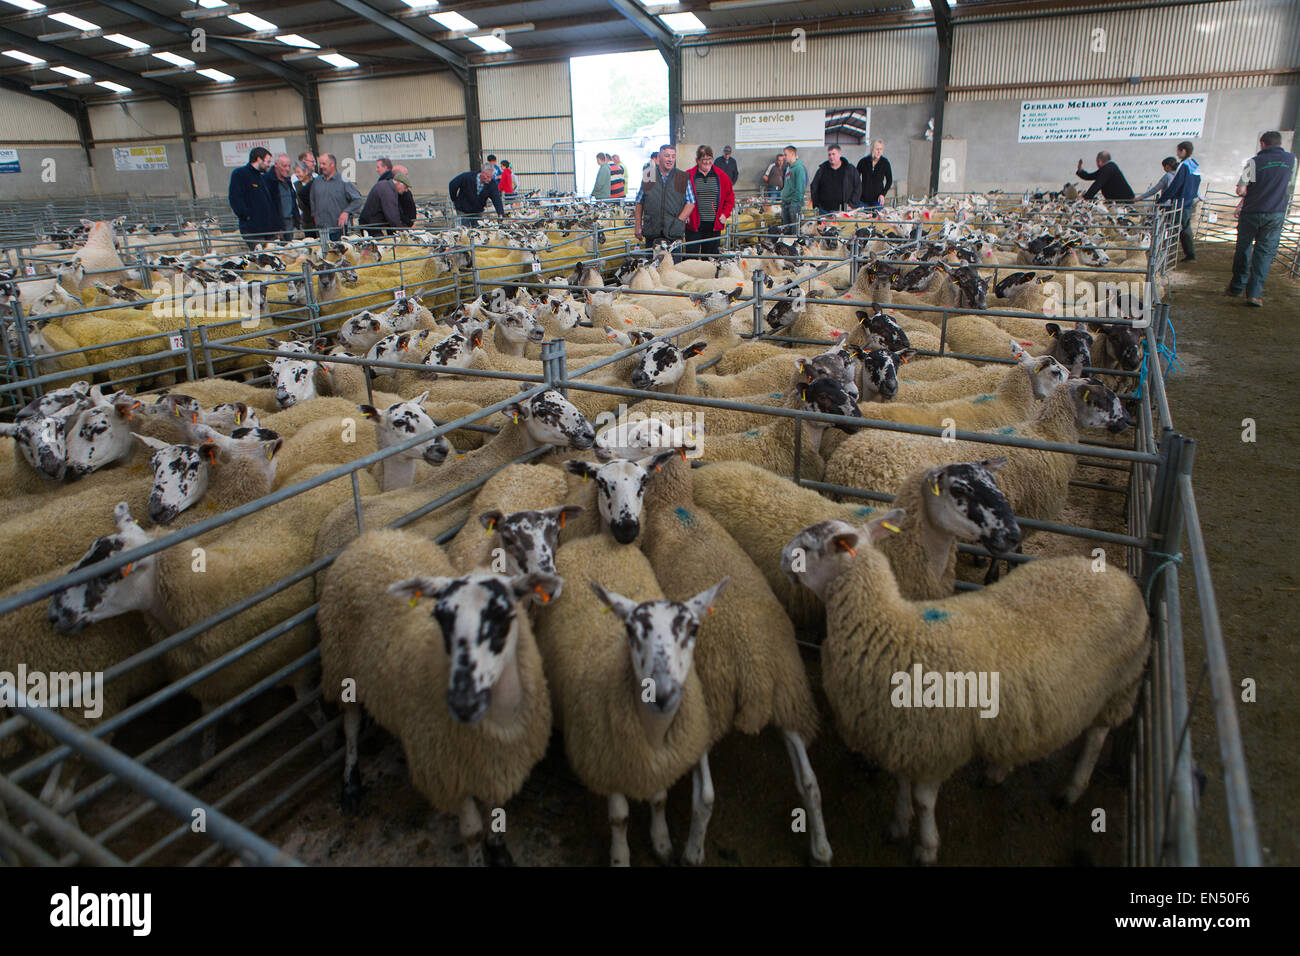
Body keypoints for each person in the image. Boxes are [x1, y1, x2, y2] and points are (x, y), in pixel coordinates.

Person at [1227, 131, 1296, 307]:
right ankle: (1255, 295)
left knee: (1244, 248)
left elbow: (1241, 190)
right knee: (1264, 253)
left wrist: (1245, 197)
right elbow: (1289, 186)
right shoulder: (1291, 160)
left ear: (1263, 144)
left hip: (1251, 212)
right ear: (1280, 144)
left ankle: (1236, 287)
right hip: (1275, 212)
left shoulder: (1254, 162)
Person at [634, 144, 694, 253]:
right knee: (652, 267)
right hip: (652, 231)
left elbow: (690, 203)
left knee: (672, 267)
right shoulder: (649, 175)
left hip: (673, 234)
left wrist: (679, 221)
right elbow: (639, 201)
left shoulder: (682, 177)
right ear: (659, 157)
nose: (670, 159)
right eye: (667, 156)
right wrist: (638, 225)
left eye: (673, 156)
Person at [684, 145, 735, 258]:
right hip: (694, 225)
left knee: (711, 259)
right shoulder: (688, 175)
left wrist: (725, 214)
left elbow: (730, 197)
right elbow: (679, 196)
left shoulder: (722, 176)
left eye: (709, 160)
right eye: (703, 160)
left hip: (713, 225)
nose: (707, 163)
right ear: (697, 160)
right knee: (691, 259)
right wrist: (684, 214)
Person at [228, 146, 279, 249]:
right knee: (261, 257)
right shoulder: (240, 174)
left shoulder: (262, 177)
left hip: (267, 228)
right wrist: (245, 215)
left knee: (273, 255)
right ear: (259, 159)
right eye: (268, 162)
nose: (269, 165)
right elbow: (235, 197)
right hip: (252, 228)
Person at [1158, 141, 1202, 261]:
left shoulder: (1183, 165)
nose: (1177, 154)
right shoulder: (1195, 164)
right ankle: (1190, 254)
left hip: (1180, 202)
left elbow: (1176, 185)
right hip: (1189, 202)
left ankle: (1167, 257)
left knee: (1173, 228)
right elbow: (1198, 182)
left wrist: (1162, 199)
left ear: (1183, 151)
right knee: (1186, 228)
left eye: (1178, 151)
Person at [308, 152, 363, 241]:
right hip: (322, 231)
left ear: (332, 164)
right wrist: (316, 219)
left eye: (324, 164)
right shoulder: (316, 182)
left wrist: (346, 212)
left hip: (338, 230)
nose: (321, 166)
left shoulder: (343, 181)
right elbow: (313, 203)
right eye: (320, 164)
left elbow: (357, 200)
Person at [810, 145, 860, 214]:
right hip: (824, 210)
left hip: (843, 211)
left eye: (833, 154)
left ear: (840, 154)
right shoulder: (822, 170)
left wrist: (852, 204)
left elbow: (858, 187)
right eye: (829, 155)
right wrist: (816, 204)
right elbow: (814, 186)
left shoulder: (849, 169)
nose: (831, 157)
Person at [359, 160, 403, 235]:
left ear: (385, 167)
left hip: (372, 224)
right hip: (374, 225)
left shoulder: (385, 184)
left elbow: (392, 210)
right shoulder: (386, 186)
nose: (376, 170)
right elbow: (391, 210)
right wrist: (401, 229)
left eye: (378, 167)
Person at [266, 152, 300, 240]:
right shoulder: (268, 181)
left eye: (289, 166)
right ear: (276, 165)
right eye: (284, 166)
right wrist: (276, 227)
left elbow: (293, 201)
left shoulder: (288, 181)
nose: (287, 169)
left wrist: (297, 220)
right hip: (276, 226)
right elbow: (269, 206)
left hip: (289, 223)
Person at [856, 139, 893, 209]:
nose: (879, 152)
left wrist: (883, 194)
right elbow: (855, 178)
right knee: (862, 219)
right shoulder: (863, 162)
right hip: (863, 200)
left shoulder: (885, 163)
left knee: (877, 219)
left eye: (881, 149)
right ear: (872, 149)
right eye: (877, 149)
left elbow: (889, 180)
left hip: (877, 200)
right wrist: (857, 193)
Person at [780, 144, 807, 233]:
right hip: (786, 203)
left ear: (792, 154)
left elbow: (800, 187)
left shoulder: (799, 168)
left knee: (794, 231)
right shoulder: (789, 168)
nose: (784, 157)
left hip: (793, 204)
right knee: (786, 230)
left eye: (785, 155)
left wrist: (795, 202)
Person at [292, 161, 316, 233]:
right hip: (306, 222)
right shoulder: (295, 185)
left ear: (305, 171)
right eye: (295, 172)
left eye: (299, 172)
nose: (297, 175)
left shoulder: (316, 182)